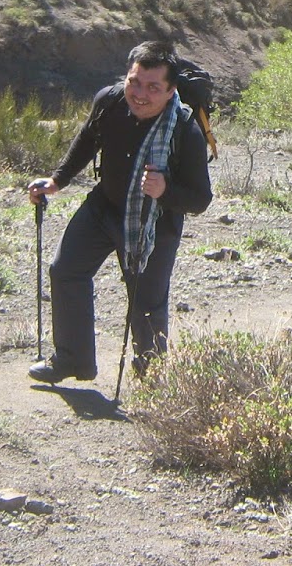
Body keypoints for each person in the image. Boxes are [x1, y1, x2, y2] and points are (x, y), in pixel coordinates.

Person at [27, 40, 211, 385]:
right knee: (65, 271)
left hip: (155, 221)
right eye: (134, 82)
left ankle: (153, 380)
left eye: (153, 87)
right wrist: (57, 180)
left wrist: (165, 191)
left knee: (146, 303)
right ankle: (72, 360)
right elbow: (87, 139)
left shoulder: (185, 130)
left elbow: (200, 198)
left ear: (171, 91)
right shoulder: (110, 101)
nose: (140, 93)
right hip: (105, 205)